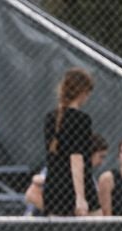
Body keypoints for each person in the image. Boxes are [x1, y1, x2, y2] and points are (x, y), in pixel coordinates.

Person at [43, 67, 97, 216]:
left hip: (54, 187)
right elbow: (76, 158)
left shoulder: (50, 117)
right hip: (73, 187)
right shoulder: (81, 119)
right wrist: (80, 197)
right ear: (83, 92)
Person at [24, 132, 107, 216]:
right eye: (101, 156)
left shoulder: (88, 177)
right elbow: (32, 194)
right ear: (90, 153)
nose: (101, 162)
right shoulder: (60, 168)